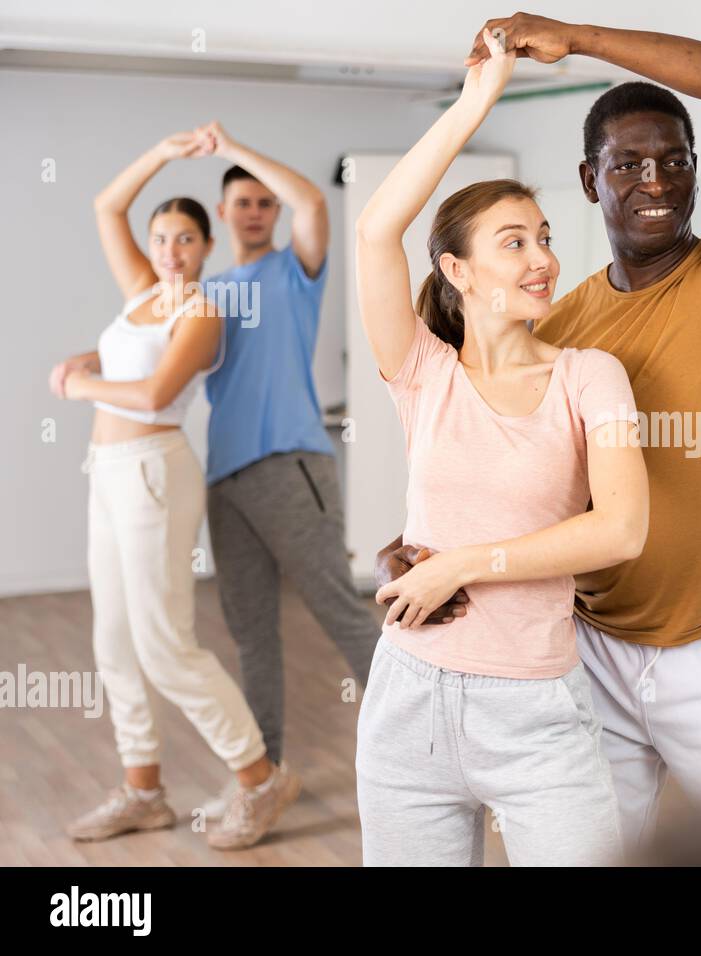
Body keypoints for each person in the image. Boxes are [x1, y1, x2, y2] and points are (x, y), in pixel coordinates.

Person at [377, 12, 701, 851]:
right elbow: (491, 467)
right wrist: (419, 548)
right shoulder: (562, 331)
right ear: (592, 181)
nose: (655, 179)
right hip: (586, 654)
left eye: (675, 161)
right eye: (629, 163)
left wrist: (576, 39)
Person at [352, 32, 647, 867]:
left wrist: (460, 565)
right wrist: (475, 104)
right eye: (514, 242)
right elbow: (378, 231)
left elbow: (621, 531)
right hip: (410, 701)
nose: (544, 258)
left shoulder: (593, 376)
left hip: (538, 713)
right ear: (458, 269)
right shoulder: (422, 374)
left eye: (545, 235)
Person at [51, 130, 299, 850]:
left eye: (184, 239)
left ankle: (259, 779)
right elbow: (106, 205)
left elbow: (158, 390)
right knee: (115, 640)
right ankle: (143, 792)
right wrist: (162, 153)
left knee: (165, 645)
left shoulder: (202, 311)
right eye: (160, 237)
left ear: (203, 247)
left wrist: (80, 381)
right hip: (106, 475)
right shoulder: (139, 296)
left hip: (157, 475)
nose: (168, 250)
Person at [195, 121, 381, 802]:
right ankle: (265, 774)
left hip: (291, 466)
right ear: (221, 213)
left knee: (342, 614)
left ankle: (430, 750)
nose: (253, 211)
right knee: (250, 633)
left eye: (262, 201)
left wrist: (231, 149)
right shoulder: (208, 293)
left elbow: (311, 204)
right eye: (240, 202)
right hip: (226, 479)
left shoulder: (294, 270)